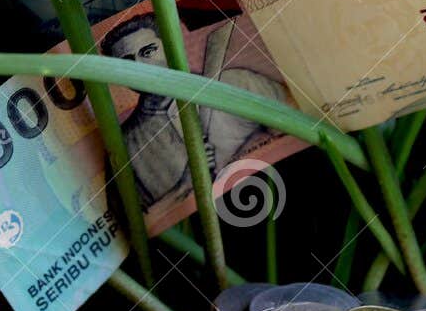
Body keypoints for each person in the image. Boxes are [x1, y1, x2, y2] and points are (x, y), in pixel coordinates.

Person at [101, 14, 289, 207]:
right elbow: (134, 222)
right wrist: (185, 186)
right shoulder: (124, 145)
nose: (140, 68)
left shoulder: (240, 84)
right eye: (127, 62)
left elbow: (294, 130)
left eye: (148, 52)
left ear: (171, 45)